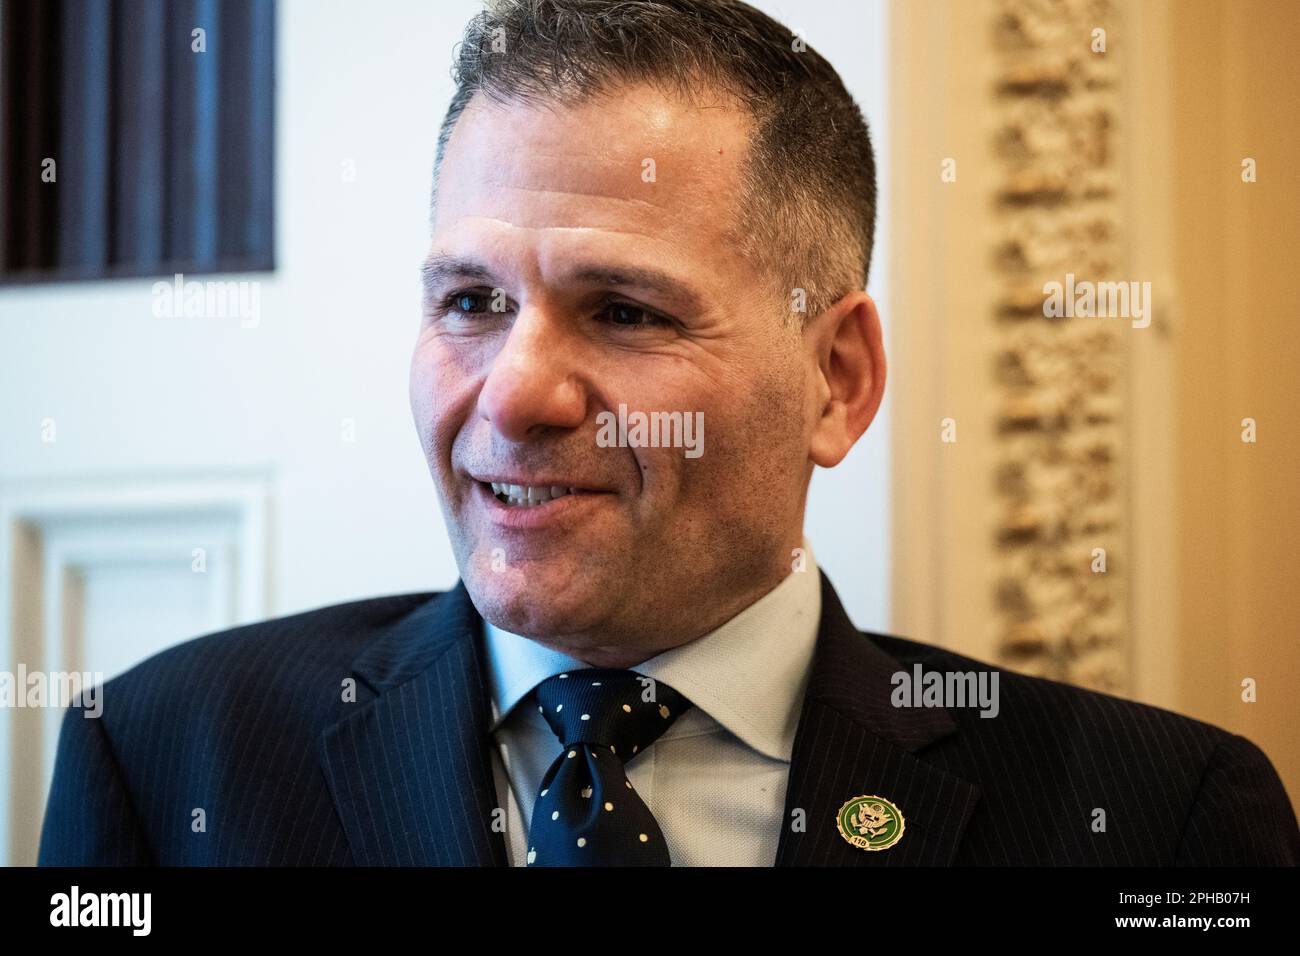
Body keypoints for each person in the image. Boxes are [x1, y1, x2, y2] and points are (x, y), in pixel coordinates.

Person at [39, 0, 1299, 867]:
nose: (517, 396)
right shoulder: (165, 756)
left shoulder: (1151, 818)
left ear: (836, 379)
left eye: (626, 310)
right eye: (470, 303)